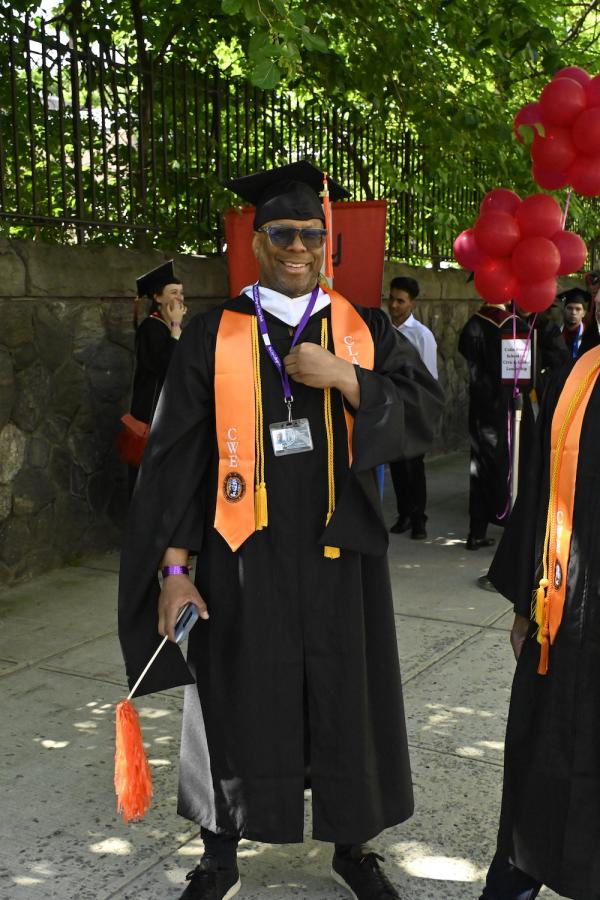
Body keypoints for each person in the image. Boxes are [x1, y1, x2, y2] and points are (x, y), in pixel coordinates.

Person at [118, 160, 444, 900]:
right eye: (283, 233)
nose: (298, 246)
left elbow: (428, 411)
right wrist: (174, 572)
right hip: (242, 557)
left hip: (340, 557)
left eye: (311, 234)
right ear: (258, 241)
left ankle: (353, 845)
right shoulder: (214, 332)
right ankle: (219, 851)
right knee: (234, 693)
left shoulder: (361, 327)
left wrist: (349, 378)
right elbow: (177, 462)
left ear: (327, 243)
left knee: (345, 696)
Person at [479, 339, 600, 899]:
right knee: (539, 758)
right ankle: (515, 879)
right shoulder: (581, 374)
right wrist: (526, 603)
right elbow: (541, 491)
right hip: (566, 613)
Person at [458, 303, 567, 551]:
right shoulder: (514, 326)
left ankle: (476, 532)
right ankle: (512, 531)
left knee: (480, 466)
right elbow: (527, 378)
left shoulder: (473, 322)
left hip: (480, 406)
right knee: (516, 464)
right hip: (509, 408)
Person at [128, 260, 187, 494]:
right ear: (158, 297)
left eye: (182, 292)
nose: (180, 298)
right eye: (173, 292)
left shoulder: (171, 326)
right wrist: (175, 328)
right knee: (150, 478)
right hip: (151, 413)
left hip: (169, 411)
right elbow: (166, 367)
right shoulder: (151, 328)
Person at [386, 276, 438, 540]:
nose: (394, 305)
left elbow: (429, 377)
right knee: (397, 463)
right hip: (391, 406)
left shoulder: (421, 335)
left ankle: (419, 518)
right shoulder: (384, 329)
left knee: (413, 466)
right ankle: (404, 513)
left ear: (412, 303)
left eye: (400, 301)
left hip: (413, 408)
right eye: (391, 299)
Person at [558, 287, 589, 360]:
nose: (573, 312)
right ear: (563, 310)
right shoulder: (555, 334)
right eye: (569, 308)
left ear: (584, 313)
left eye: (578, 309)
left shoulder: (589, 335)